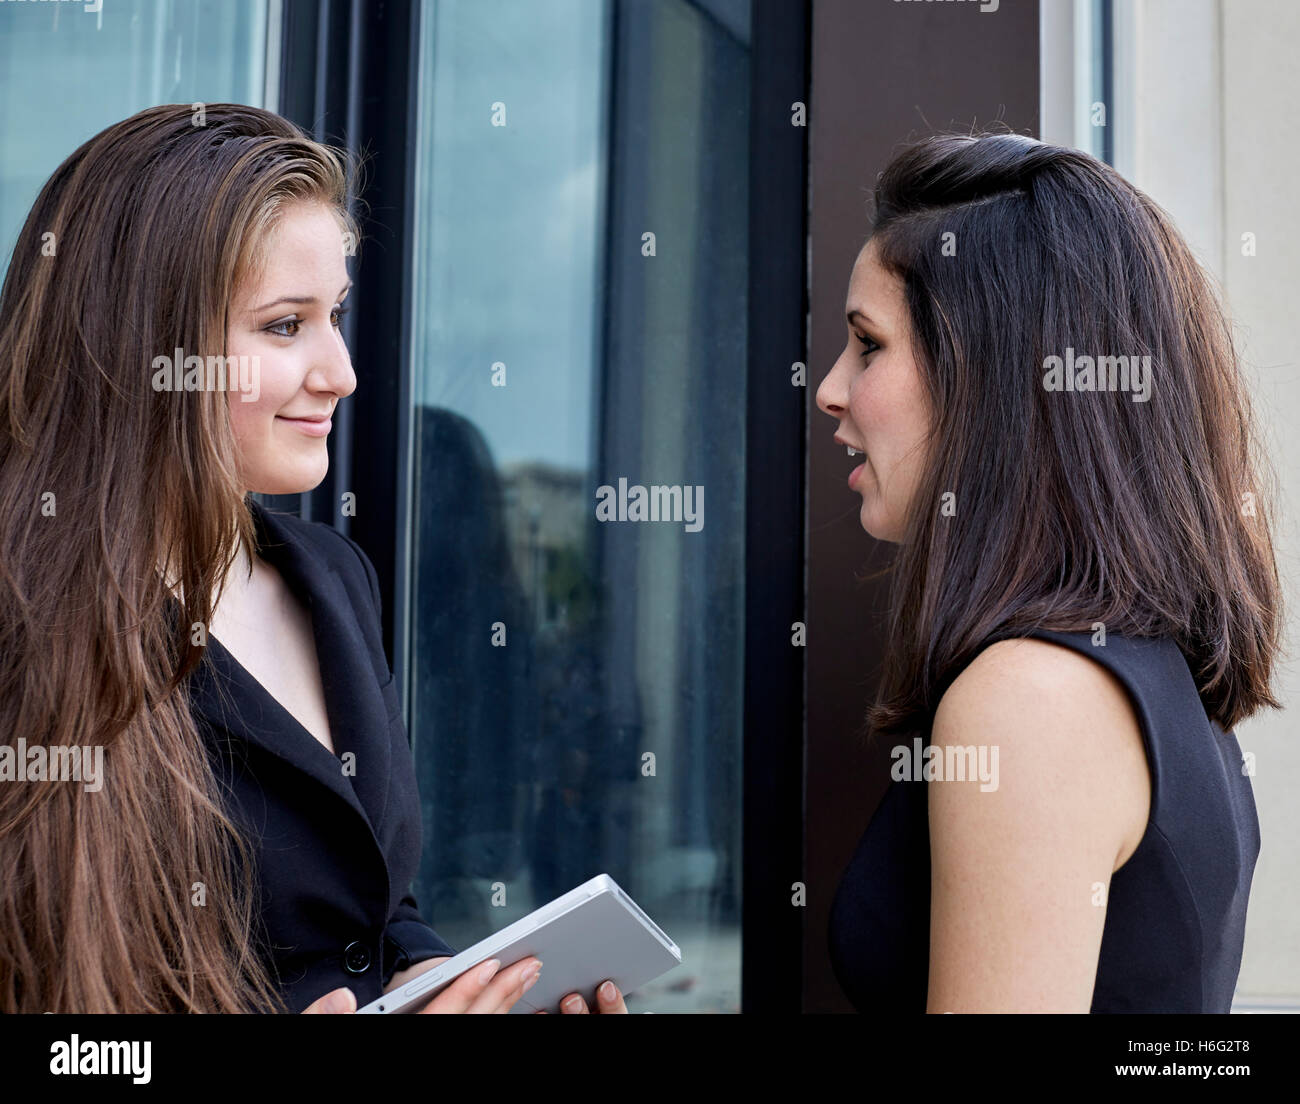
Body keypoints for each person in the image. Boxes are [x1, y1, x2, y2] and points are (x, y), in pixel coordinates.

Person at [0, 102, 624, 1014]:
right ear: (146, 348)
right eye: (285, 326)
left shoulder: (330, 575)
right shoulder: (26, 614)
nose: (341, 371)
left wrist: (436, 980)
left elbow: (369, 907)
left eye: (333, 314)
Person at [816, 131, 1281, 1012]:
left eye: (868, 345)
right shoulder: (1143, 680)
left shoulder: (1032, 700)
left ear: (989, 378)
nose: (832, 389)